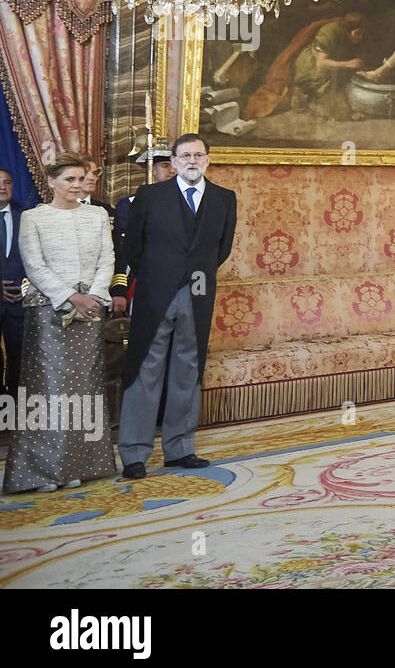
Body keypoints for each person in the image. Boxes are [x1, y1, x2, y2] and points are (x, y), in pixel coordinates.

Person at [118, 134, 237, 479]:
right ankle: (135, 454)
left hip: (199, 291)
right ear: (172, 161)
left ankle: (180, 449)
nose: (192, 160)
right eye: (185, 155)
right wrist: (159, 275)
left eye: (198, 155)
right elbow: (133, 247)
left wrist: (194, 275)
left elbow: (221, 249)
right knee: (146, 369)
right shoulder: (150, 196)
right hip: (156, 291)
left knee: (188, 368)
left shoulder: (224, 199)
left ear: (208, 160)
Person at [3, 153, 116, 494]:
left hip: (91, 310)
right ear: (51, 182)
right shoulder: (35, 218)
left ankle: (83, 464)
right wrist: (71, 297)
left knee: (86, 388)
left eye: (82, 179)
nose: (78, 185)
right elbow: (34, 266)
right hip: (49, 312)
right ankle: (43, 470)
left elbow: (107, 258)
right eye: (70, 179)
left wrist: (95, 296)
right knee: (49, 390)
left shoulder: (97, 215)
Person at [111, 147, 176, 312]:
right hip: (143, 274)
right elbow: (124, 245)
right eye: (165, 165)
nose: (172, 170)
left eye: (175, 164)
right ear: (153, 169)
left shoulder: (192, 201)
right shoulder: (131, 204)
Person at [289, 13, 368, 121]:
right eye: (357, 33)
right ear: (347, 30)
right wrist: (348, 64)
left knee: (345, 108)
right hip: (311, 67)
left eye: (362, 34)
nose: (361, 37)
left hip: (333, 71)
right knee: (339, 115)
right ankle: (301, 94)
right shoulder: (329, 32)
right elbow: (321, 65)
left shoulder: (350, 36)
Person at [0, 166, 25, 398]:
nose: (2, 187)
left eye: (7, 182)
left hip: (19, 303)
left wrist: (25, 288)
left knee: (20, 357)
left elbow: (37, 259)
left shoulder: (26, 218)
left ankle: (17, 410)